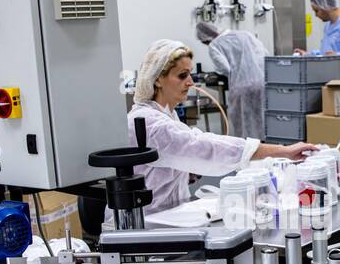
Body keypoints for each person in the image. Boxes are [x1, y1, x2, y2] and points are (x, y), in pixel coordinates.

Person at [127, 39, 316, 212]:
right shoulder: (149, 122)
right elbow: (204, 146)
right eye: (182, 75)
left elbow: (173, 157)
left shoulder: (167, 114)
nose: (191, 82)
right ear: (158, 79)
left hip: (166, 212)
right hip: (148, 221)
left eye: (190, 74)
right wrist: (283, 151)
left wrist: (186, 172)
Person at [195, 21, 266, 140]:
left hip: (241, 87)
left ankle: (251, 153)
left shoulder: (215, 45)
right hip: (262, 83)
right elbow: (264, 54)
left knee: (245, 126)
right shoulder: (245, 34)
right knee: (263, 120)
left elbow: (224, 68)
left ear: (206, 40)